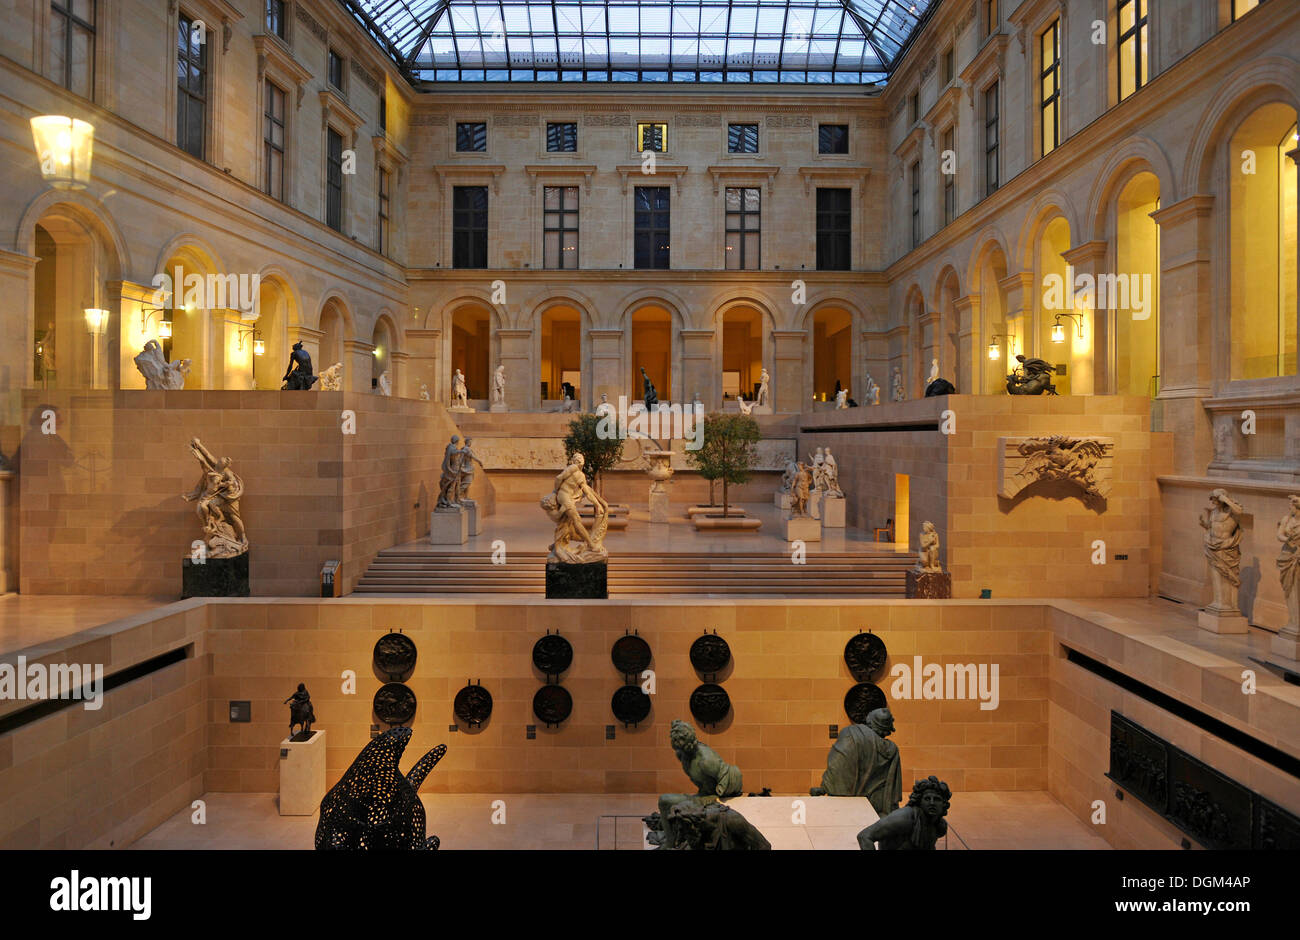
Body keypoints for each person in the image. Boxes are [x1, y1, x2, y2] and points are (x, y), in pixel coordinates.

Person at [857, 775, 951, 850]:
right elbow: (864, 836)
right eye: (927, 799)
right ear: (919, 801)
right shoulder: (904, 818)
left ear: (944, 804)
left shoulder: (939, 826)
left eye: (937, 799)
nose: (932, 803)